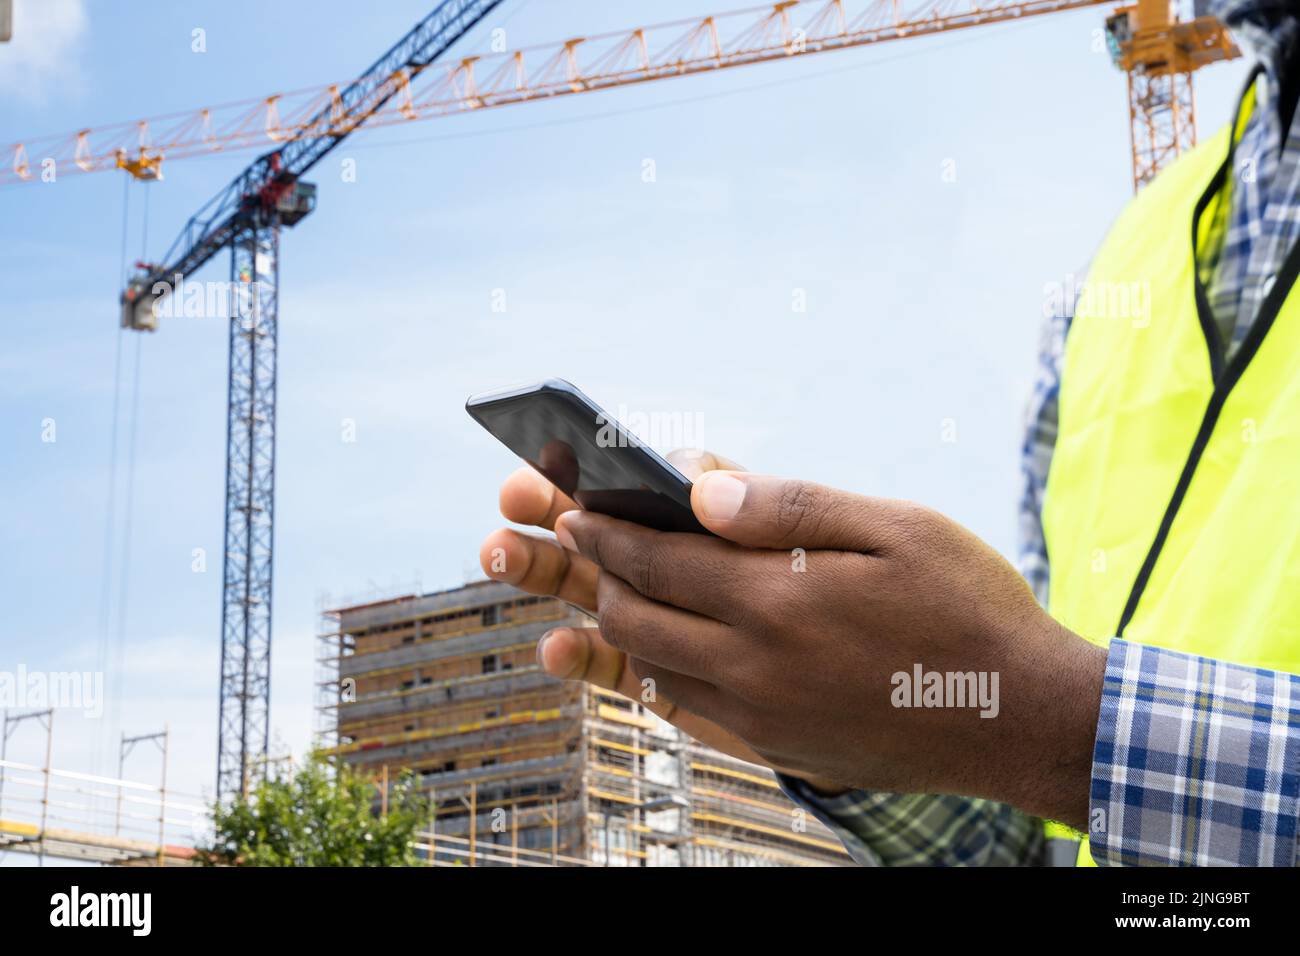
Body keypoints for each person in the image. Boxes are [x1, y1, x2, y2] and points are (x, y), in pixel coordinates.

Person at [478, 0, 1300, 866]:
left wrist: (1046, 721)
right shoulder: (1125, 264)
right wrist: (863, 753)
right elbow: (1047, 848)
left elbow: (1058, 744)